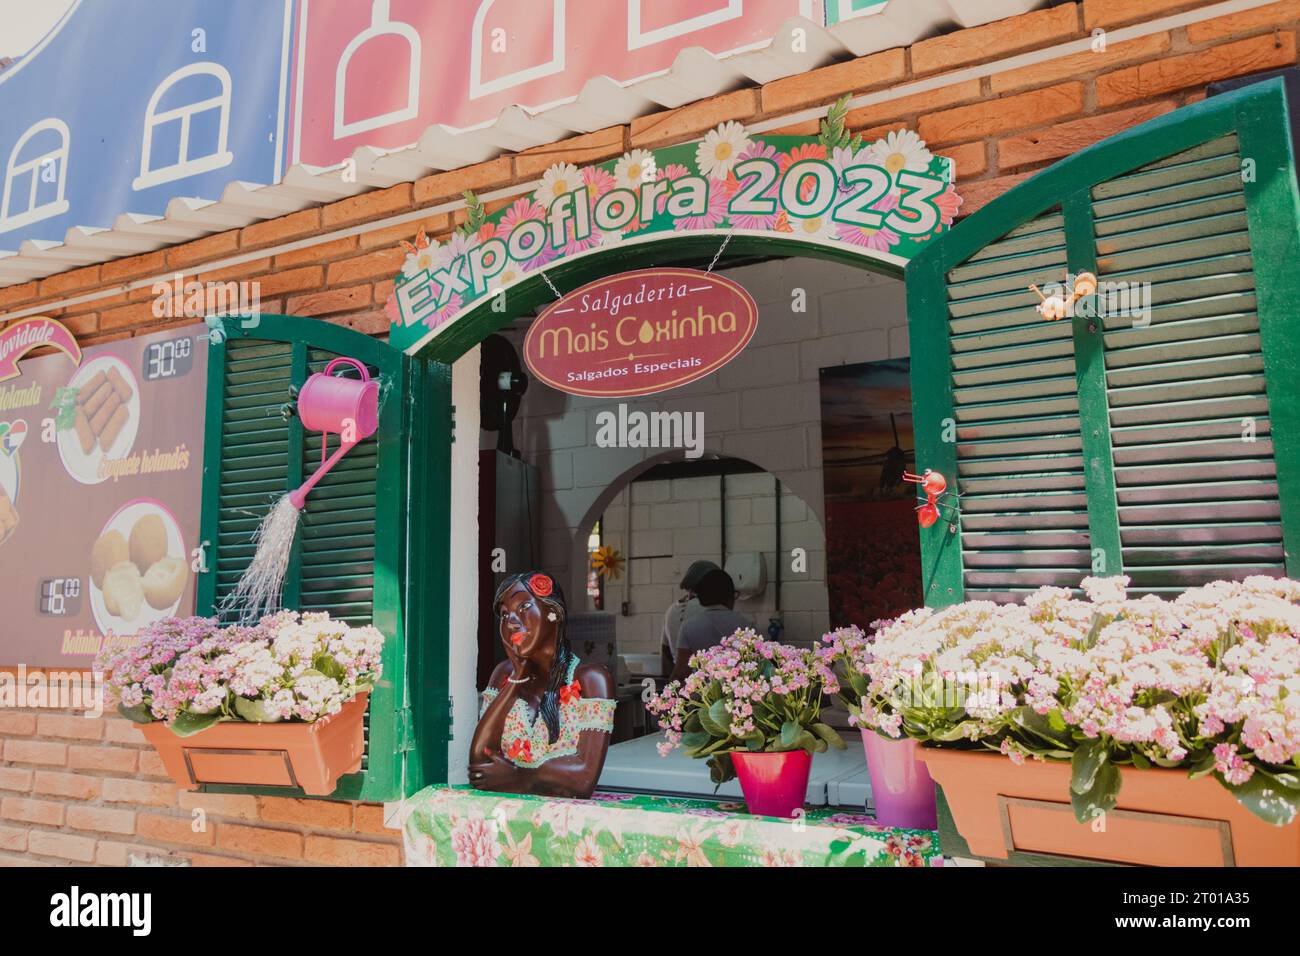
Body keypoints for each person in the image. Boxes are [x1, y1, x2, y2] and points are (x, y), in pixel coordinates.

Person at [468, 571, 616, 799]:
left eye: (523, 607)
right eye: (505, 615)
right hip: (502, 821)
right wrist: (517, 677)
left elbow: (584, 779)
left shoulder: (591, 680)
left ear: (554, 613)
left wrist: (515, 776)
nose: (511, 622)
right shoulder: (504, 674)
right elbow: (479, 767)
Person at [668, 568, 750, 684]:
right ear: (730, 597)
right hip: (737, 694)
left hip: (702, 697)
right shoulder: (745, 625)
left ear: (701, 599)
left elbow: (681, 672)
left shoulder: (688, 627)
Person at [659, 559, 719, 677]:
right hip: (707, 681)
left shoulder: (671, 610)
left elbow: (665, 657)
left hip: (680, 680)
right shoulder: (709, 608)